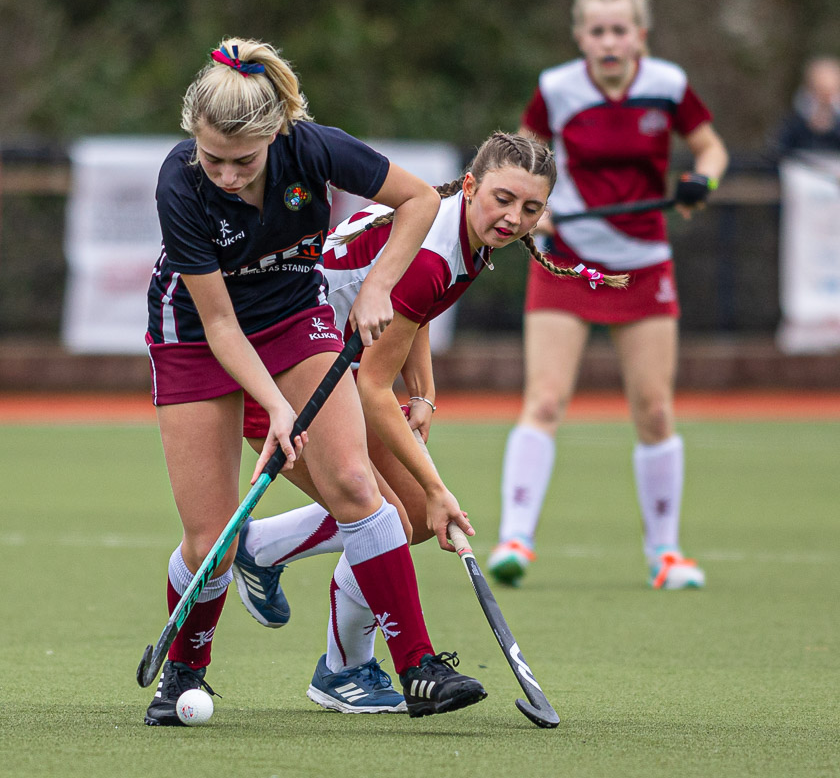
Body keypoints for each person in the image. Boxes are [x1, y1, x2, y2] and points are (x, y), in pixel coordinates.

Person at [142, 37, 487, 726]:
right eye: (214, 158)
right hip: (196, 336)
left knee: (361, 488)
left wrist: (378, 287)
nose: (228, 175)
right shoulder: (179, 182)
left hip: (295, 315)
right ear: (193, 140)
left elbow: (418, 200)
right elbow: (219, 325)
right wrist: (274, 407)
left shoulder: (314, 147)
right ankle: (186, 667)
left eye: (244, 160)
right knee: (213, 541)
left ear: (276, 135)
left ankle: (415, 667)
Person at [231, 132, 623, 712]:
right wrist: (440, 490)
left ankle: (261, 549)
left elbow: (409, 315)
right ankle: (345, 669)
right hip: (277, 372)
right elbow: (371, 386)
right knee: (393, 513)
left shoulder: (458, 228)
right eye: (503, 199)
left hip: (326, 365)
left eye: (531, 208)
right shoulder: (435, 253)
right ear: (471, 186)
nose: (514, 218)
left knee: (406, 517)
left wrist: (426, 391)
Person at [487, 0, 729, 591]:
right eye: (597, 31)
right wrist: (540, 209)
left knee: (653, 409)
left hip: (644, 264)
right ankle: (515, 539)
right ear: (581, 37)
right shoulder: (556, 90)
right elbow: (526, 160)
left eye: (621, 30)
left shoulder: (668, 86)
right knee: (544, 400)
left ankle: (665, 554)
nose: (609, 41)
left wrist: (704, 180)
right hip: (569, 259)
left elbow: (711, 150)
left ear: (639, 36)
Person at [771, 56, 840, 157]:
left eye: (830, 90)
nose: (825, 97)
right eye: (820, 89)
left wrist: (833, 128)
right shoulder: (794, 120)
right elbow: (779, 150)